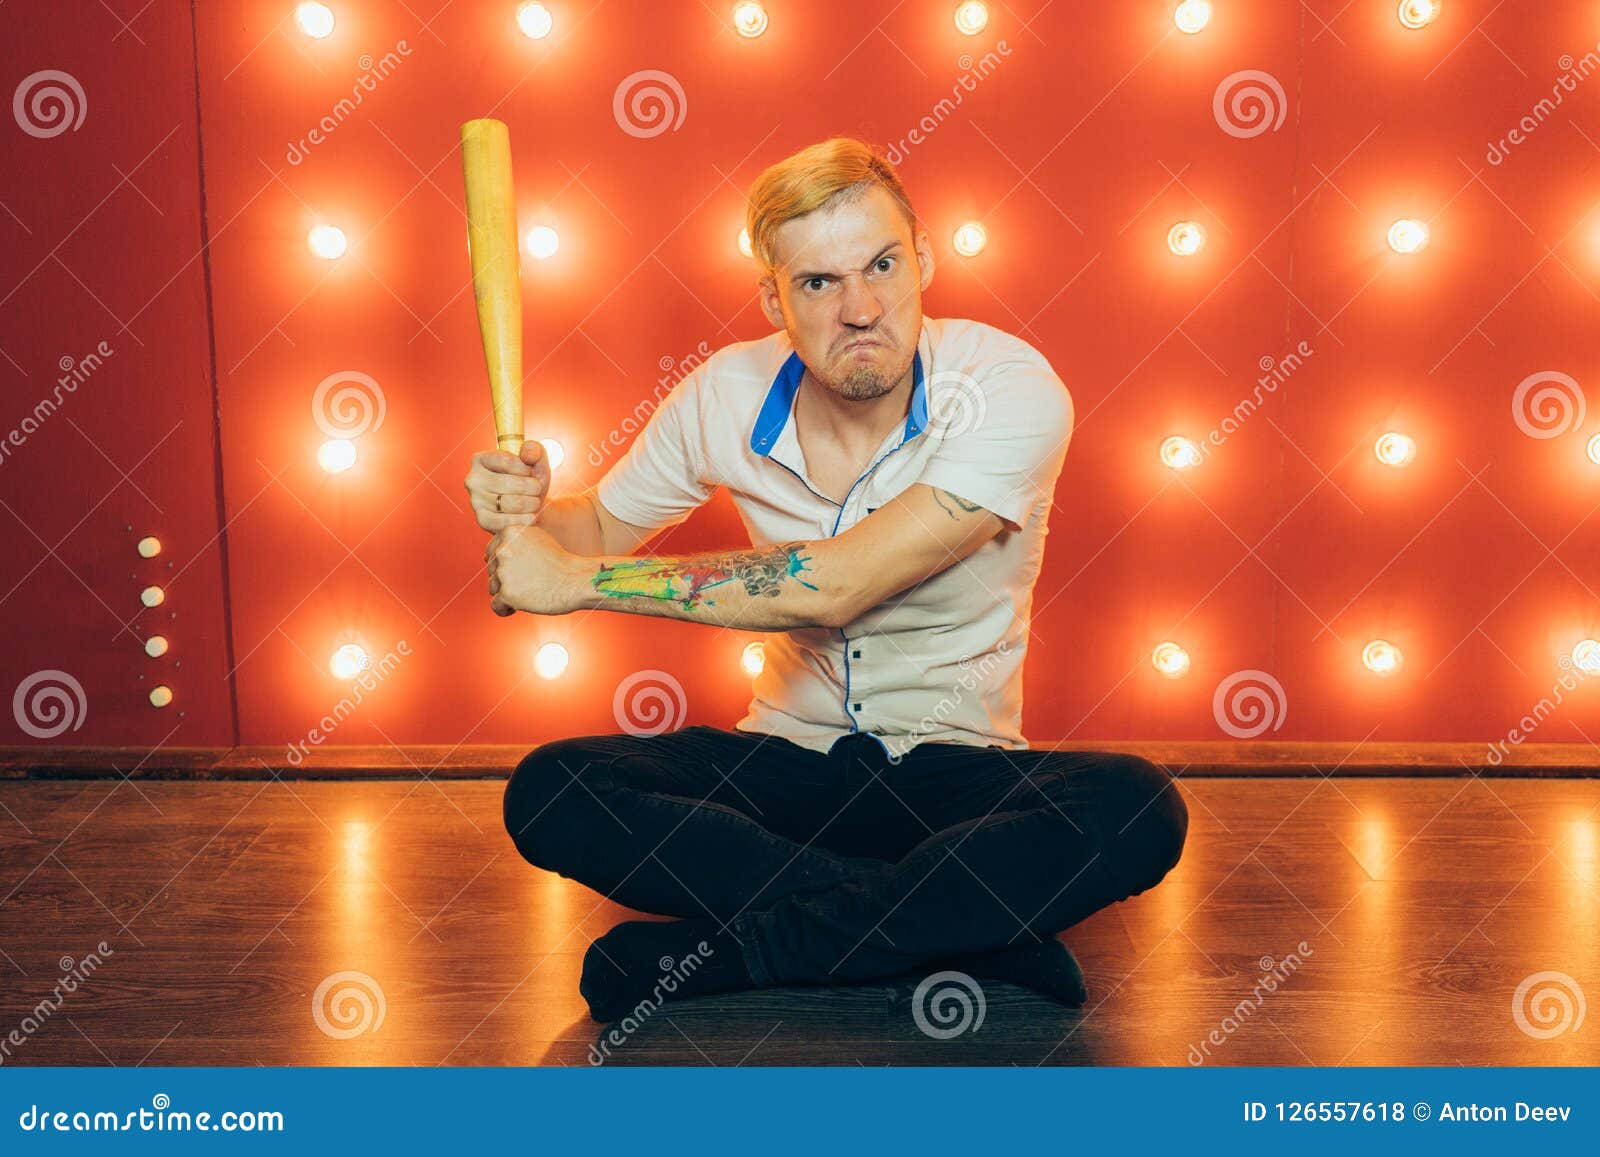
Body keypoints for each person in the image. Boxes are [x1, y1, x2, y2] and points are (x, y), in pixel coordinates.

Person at [464, 137, 1187, 1023]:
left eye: (882, 264)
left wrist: (577, 581)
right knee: (552, 790)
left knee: (1137, 806)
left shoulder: (1008, 386)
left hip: (952, 778)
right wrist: (530, 510)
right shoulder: (722, 392)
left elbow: (836, 583)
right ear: (775, 297)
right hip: (788, 771)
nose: (862, 307)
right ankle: (969, 929)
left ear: (922, 257)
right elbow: (597, 528)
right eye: (818, 283)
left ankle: (752, 951)